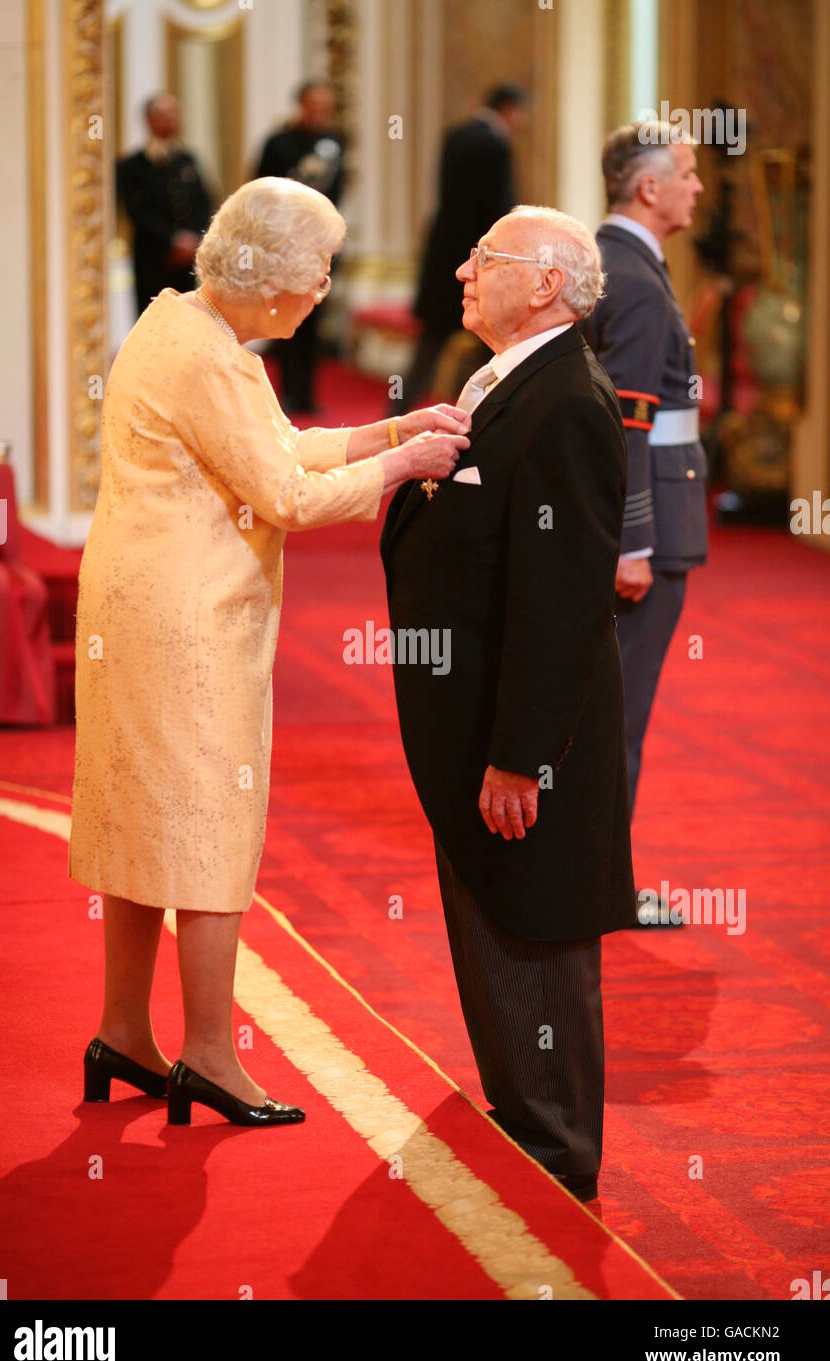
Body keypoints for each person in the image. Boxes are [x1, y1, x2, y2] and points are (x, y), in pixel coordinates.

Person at [69, 177, 470, 1129]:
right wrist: (403, 466)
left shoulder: (184, 326)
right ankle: (209, 1054)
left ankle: (124, 1030)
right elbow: (284, 497)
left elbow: (276, 447)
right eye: (318, 272)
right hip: (187, 622)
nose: (326, 288)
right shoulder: (208, 356)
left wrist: (389, 429)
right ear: (268, 278)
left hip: (138, 605)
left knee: (142, 818)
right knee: (207, 826)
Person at [380, 206, 636, 1203]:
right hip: (470, 719)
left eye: (481, 258)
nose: (459, 269)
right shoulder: (508, 379)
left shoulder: (567, 401)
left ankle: (554, 1155)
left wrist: (520, 755)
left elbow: (560, 603)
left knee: (533, 930)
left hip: (516, 735)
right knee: (492, 926)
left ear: (542, 285)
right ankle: (519, 1123)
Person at [583, 122, 708, 925]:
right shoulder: (632, 278)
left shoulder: (622, 265)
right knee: (618, 722)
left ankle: (596, 882)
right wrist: (633, 543)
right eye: (689, 174)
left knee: (615, 717)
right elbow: (626, 421)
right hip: (648, 530)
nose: (699, 187)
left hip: (655, 519)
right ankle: (603, 890)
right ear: (649, 189)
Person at [393, 82, 528, 416]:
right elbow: (500, 211)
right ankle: (474, 417)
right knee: (488, 348)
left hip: (442, 258)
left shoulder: (455, 135)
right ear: (510, 109)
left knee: (429, 348)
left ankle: (394, 416)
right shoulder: (496, 144)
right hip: (478, 262)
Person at [253, 82, 346, 413]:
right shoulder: (277, 144)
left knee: (313, 319)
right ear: (301, 105)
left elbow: (337, 194)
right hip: (284, 245)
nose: (318, 111)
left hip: (318, 244)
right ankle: (287, 393)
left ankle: (308, 393)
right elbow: (262, 191)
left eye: (324, 105)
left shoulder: (334, 143)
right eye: (313, 104)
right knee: (285, 315)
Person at [116, 93, 212, 316]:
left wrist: (193, 238)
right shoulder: (132, 166)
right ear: (149, 120)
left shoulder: (188, 159)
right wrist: (171, 240)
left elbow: (203, 201)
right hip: (152, 256)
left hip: (186, 258)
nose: (171, 121)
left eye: (174, 115)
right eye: (164, 115)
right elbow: (136, 211)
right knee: (153, 317)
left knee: (185, 316)